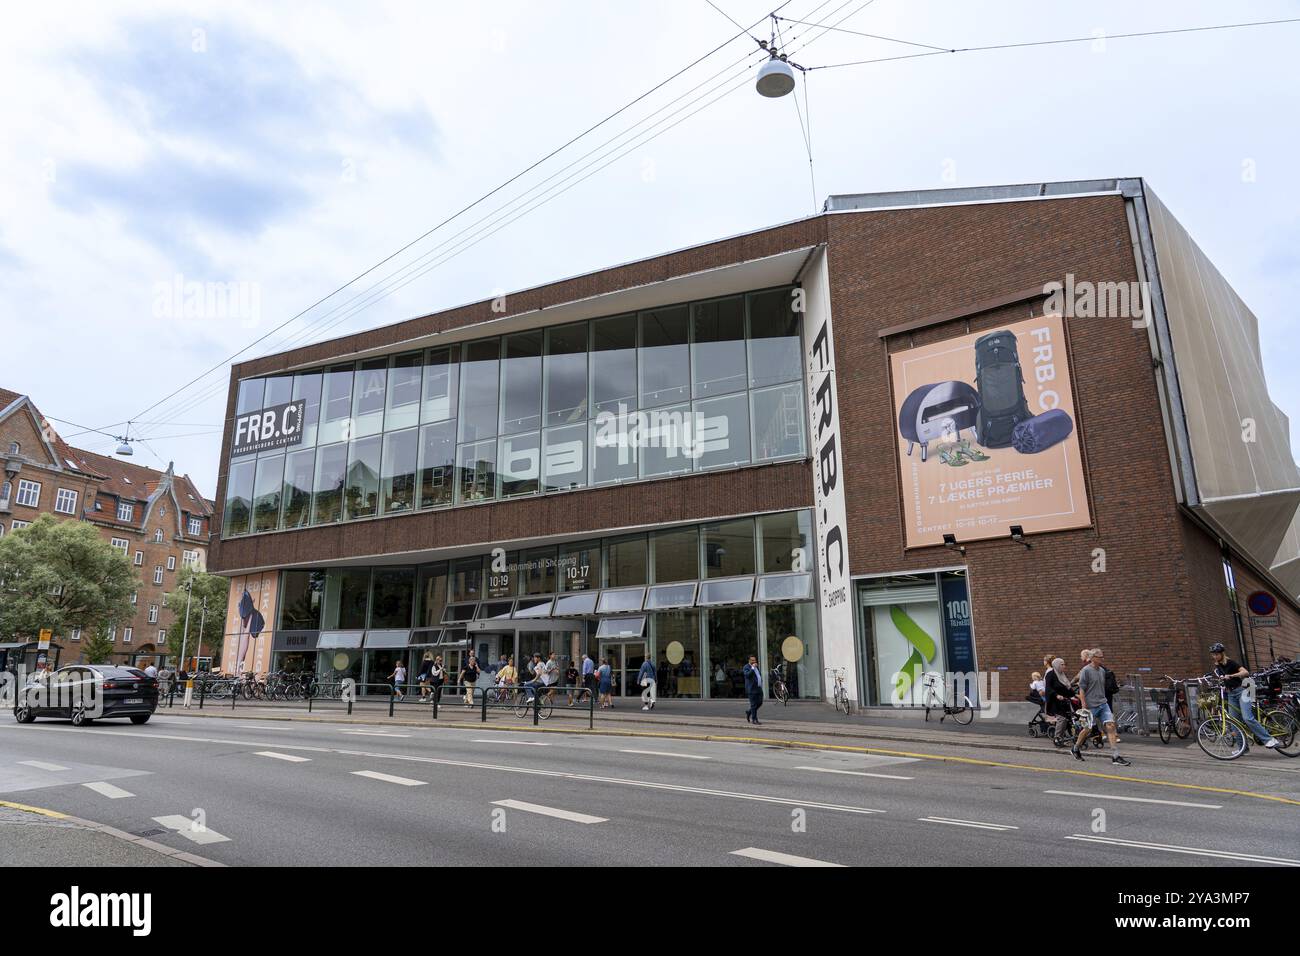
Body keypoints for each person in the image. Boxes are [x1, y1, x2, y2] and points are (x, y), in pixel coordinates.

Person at [1210, 642, 1279, 750]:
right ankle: (1242, 749)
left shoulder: (1230, 662)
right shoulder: (1217, 666)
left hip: (1242, 691)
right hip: (1231, 694)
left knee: (1247, 718)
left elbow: (1245, 672)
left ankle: (1269, 739)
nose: (1215, 656)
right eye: (1213, 654)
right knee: (1234, 723)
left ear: (1222, 653)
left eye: (1217, 654)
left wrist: (1231, 676)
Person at [1072, 649, 1130, 765]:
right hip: (1090, 706)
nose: (1102, 659)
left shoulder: (1102, 671)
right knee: (1087, 730)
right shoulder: (1086, 671)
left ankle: (1115, 755)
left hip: (1103, 704)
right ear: (1093, 658)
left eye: (1102, 657)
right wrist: (1084, 706)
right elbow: (1082, 689)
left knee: (1111, 726)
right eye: (1099, 657)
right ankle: (1076, 748)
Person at [1043, 657, 1074, 745]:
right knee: (1062, 718)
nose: (1064, 666)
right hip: (1054, 701)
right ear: (1057, 665)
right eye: (1062, 664)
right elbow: (1048, 688)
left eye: (1064, 664)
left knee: (1067, 718)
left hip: (1063, 701)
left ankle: (1063, 737)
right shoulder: (1050, 674)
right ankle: (1057, 738)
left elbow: (1067, 688)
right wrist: (1056, 695)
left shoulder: (1062, 675)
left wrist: (1074, 694)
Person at [742, 655, 763, 724]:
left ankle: (749, 712)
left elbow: (758, 676)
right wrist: (753, 668)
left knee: (760, 703)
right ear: (749, 660)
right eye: (752, 660)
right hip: (751, 689)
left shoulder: (756, 667)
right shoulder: (746, 667)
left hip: (758, 688)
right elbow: (747, 675)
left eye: (755, 660)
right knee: (753, 705)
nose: (754, 661)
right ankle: (754, 719)